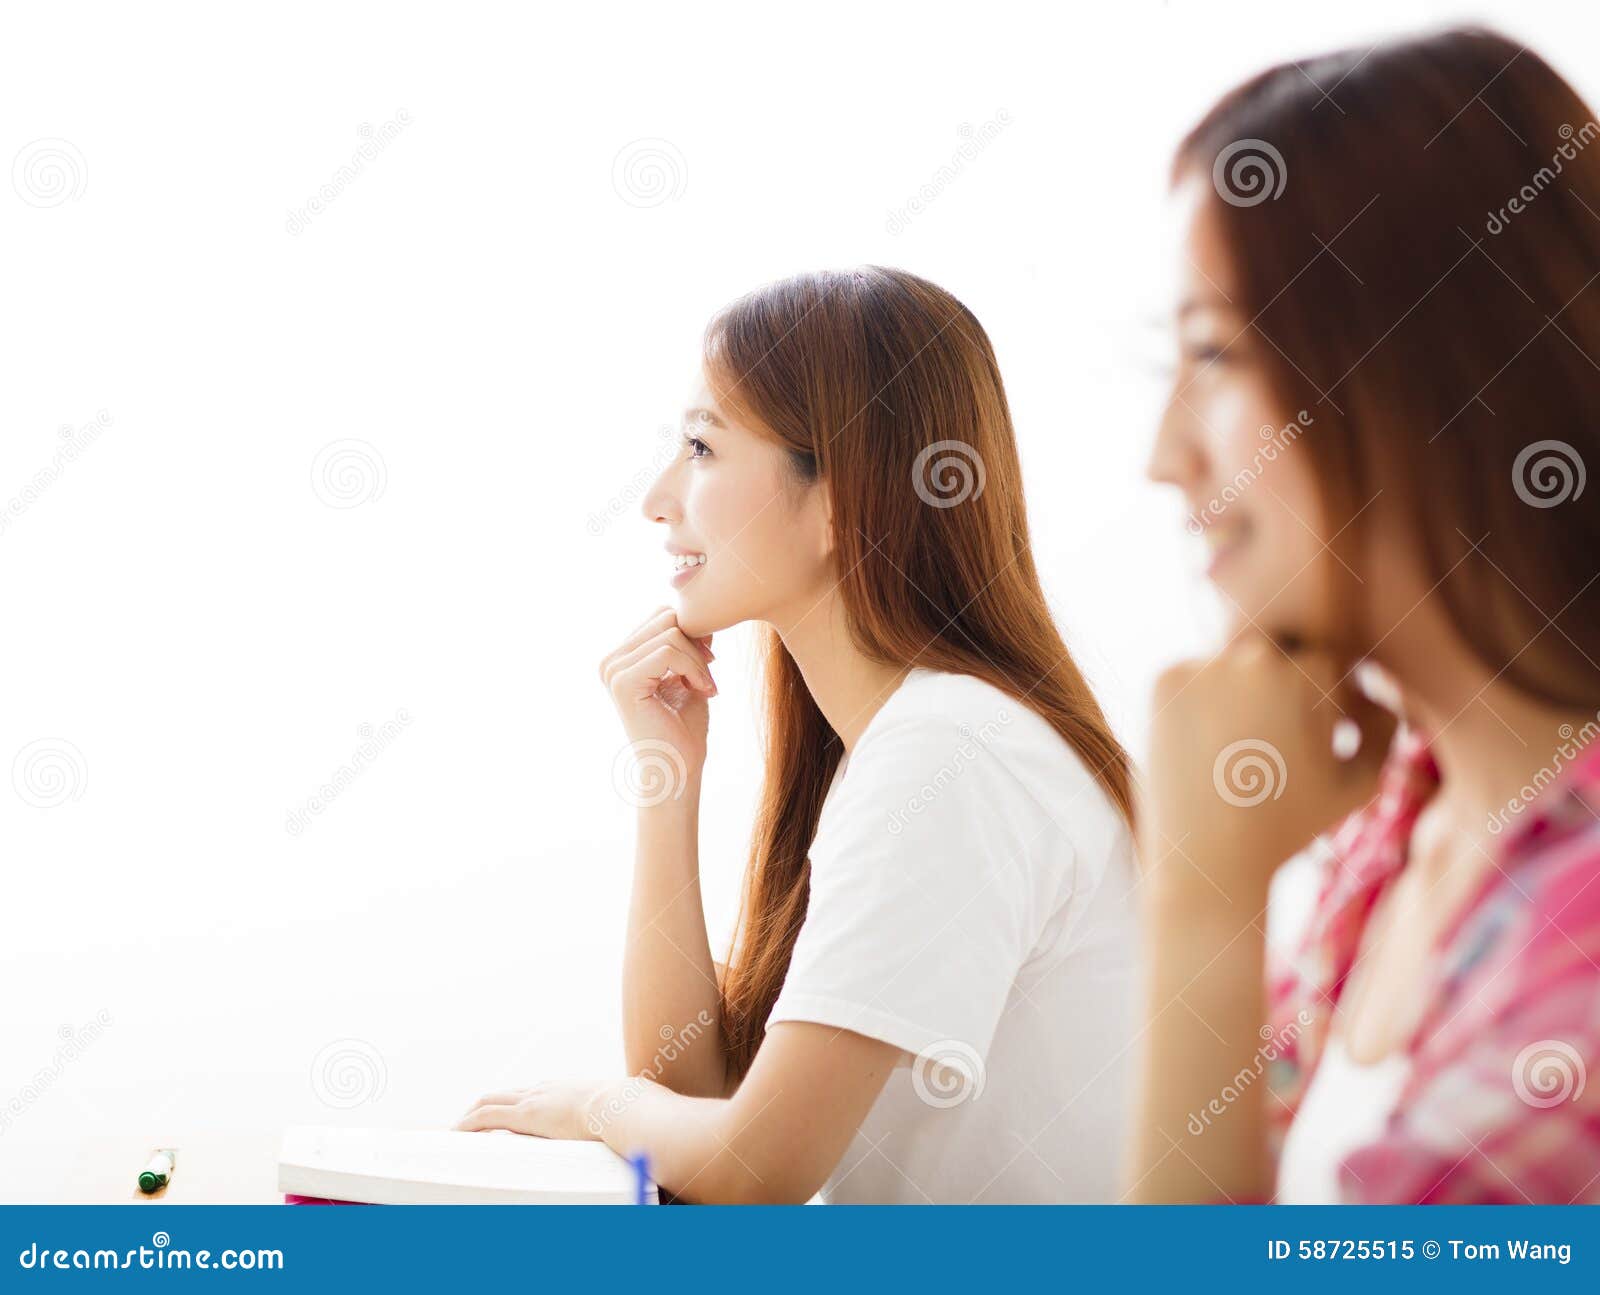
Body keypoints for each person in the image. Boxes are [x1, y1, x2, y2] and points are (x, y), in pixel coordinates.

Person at [458, 267, 1138, 1203]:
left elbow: (755, 1168)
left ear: (838, 499)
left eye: (701, 447)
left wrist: (594, 1106)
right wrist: (667, 775)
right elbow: (700, 1097)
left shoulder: (951, 752)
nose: (657, 498)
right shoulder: (912, 739)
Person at [1132, 28, 1600, 1204]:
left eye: (1215, 356)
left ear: (1431, 368)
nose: (1164, 460)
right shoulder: (1394, 824)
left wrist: (1202, 912)